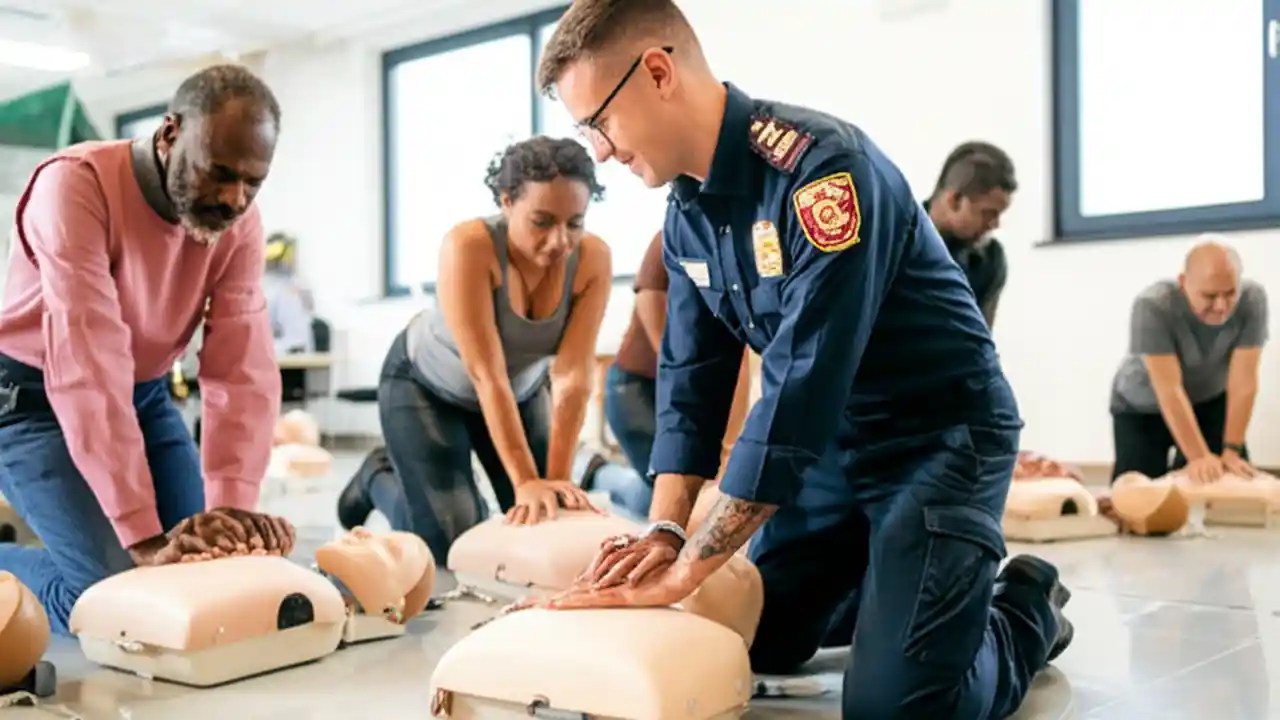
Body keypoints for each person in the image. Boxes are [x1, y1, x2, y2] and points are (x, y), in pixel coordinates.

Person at [523, 3, 1072, 718]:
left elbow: (799, 388)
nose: (597, 151)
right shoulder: (688, 212)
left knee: (897, 707)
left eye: (599, 120)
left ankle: (1025, 600)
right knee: (761, 640)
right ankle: (900, 582)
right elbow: (691, 383)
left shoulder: (822, 174)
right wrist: (665, 531)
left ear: (657, 71)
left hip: (939, 442)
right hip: (837, 449)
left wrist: (693, 564)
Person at [0, 64, 293, 634]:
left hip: (143, 394)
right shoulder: (74, 186)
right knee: (111, 597)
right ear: (169, 135)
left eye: (253, 183)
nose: (235, 199)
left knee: (205, 566)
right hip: (28, 401)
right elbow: (89, 362)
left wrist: (232, 506)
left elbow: (242, 369)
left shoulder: (240, 222)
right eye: (219, 173)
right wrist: (139, 533)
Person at [337, 136, 611, 561]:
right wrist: (525, 481)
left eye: (574, 222)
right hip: (425, 386)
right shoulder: (469, 245)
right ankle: (376, 474)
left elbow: (573, 377)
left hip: (519, 390)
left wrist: (555, 481)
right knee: (453, 539)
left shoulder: (593, 259)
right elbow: (487, 373)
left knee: (545, 514)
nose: (560, 241)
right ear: (506, 201)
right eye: (542, 221)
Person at [576, 229, 753, 519]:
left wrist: (728, 447)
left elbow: (738, 365)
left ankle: (600, 471)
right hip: (635, 388)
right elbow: (677, 363)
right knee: (666, 500)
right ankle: (599, 474)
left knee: (696, 491)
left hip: (689, 389)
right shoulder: (675, 234)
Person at [1110, 238, 1266, 484]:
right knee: (1137, 498)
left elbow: (1244, 380)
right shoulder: (1152, 305)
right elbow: (1169, 389)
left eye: (1230, 293)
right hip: (1143, 405)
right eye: (1209, 296)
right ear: (1183, 283)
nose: (1221, 306)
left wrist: (1231, 450)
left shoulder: (1252, 300)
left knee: (1229, 477)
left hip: (1209, 399)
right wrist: (1199, 456)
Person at [924, 141, 1016, 328]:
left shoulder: (989, 260)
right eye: (988, 213)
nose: (995, 224)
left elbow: (979, 344)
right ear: (954, 200)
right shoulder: (892, 244)